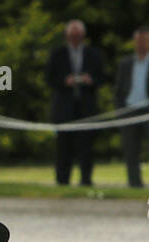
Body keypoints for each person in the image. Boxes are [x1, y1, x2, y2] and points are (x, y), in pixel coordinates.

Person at [46, 19, 104, 186]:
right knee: (63, 147)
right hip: (64, 108)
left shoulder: (93, 54)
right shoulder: (57, 54)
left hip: (86, 108)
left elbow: (102, 78)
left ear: (83, 36)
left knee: (86, 146)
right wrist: (65, 81)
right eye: (72, 35)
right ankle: (62, 180)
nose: (75, 38)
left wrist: (90, 80)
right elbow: (49, 78)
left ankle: (86, 179)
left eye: (78, 35)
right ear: (66, 36)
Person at [113, 28, 149, 188]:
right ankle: (135, 183)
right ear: (134, 42)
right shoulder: (125, 63)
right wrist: (119, 110)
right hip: (128, 110)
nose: (141, 44)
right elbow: (118, 89)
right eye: (139, 41)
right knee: (131, 151)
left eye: (145, 40)